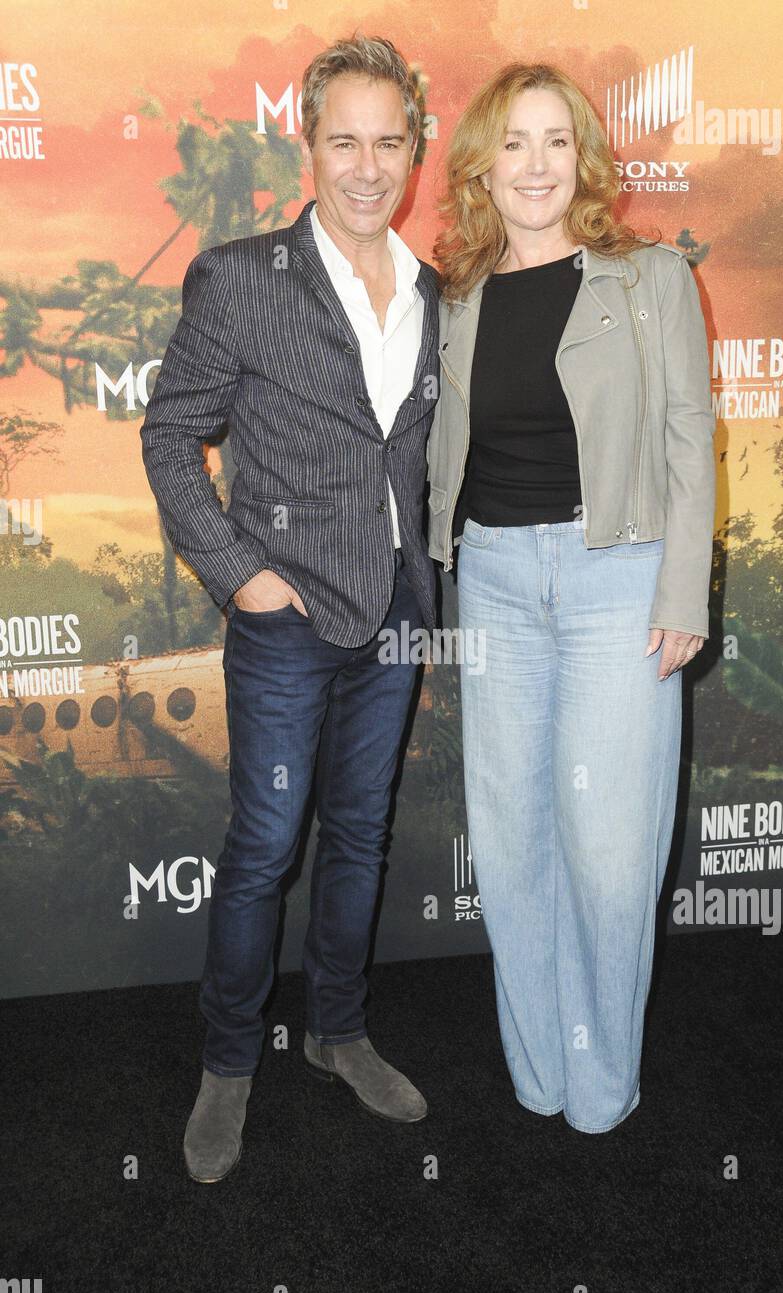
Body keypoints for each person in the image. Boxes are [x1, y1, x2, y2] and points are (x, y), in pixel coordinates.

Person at [141, 34, 440, 1182]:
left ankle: (339, 1030)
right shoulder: (238, 277)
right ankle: (227, 1063)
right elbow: (172, 439)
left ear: (415, 148)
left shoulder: (432, 293)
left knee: (360, 835)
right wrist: (241, 578)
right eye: (343, 140)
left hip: (392, 619)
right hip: (281, 623)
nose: (367, 167)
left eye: (389, 141)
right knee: (265, 845)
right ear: (307, 142)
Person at [426, 62, 716, 1133]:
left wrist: (685, 586)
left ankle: (600, 1083)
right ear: (483, 169)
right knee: (511, 842)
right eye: (514, 142)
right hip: (495, 581)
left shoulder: (650, 278)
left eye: (556, 141)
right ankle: (538, 1066)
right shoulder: (458, 295)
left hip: (618, 580)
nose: (536, 164)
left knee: (606, 849)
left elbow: (690, 433)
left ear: (582, 160)